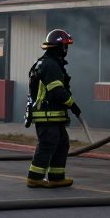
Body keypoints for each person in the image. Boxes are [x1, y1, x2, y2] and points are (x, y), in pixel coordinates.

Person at [25, 29, 82, 188]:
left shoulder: (49, 63)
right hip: (46, 114)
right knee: (48, 143)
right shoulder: (50, 65)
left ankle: (56, 177)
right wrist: (73, 105)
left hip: (53, 115)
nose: (66, 50)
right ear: (59, 47)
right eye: (65, 46)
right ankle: (34, 177)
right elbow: (57, 91)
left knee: (62, 143)